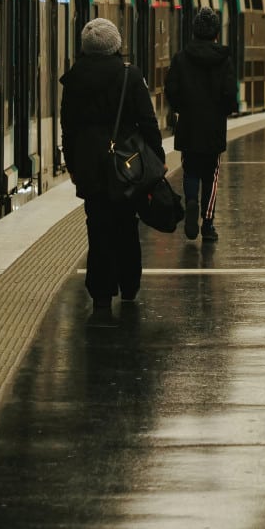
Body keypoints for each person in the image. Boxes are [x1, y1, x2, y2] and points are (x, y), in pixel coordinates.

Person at [60, 17, 165, 316]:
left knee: (98, 227)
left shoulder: (74, 78)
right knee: (126, 224)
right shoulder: (129, 75)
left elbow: (68, 127)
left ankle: (101, 296)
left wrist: (72, 165)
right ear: (116, 44)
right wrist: (157, 158)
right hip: (127, 163)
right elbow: (147, 121)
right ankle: (129, 284)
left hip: (90, 165)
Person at [166, 7, 240, 242]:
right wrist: (224, 110)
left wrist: (181, 108)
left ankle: (190, 202)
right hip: (214, 127)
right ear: (216, 34)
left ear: (194, 32)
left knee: (191, 170)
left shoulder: (181, 58)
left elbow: (172, 90)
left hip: (188, 125)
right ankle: (207, 224)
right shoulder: (224, 60)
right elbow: (230, 93)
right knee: (211, 175)